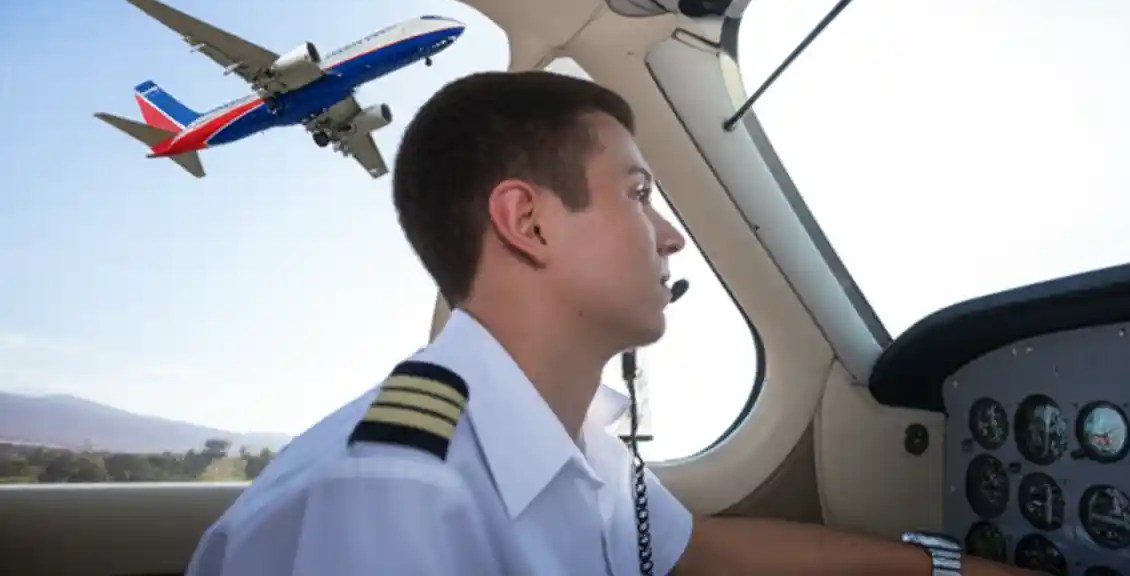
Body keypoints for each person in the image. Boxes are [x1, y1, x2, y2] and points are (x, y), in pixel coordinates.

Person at [186, 70, 1036, 575]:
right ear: (530, 223)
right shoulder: (393, 497)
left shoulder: (570, 441)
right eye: (637, 194)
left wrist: (950, 568)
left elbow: (705, 551)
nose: (668, 233)